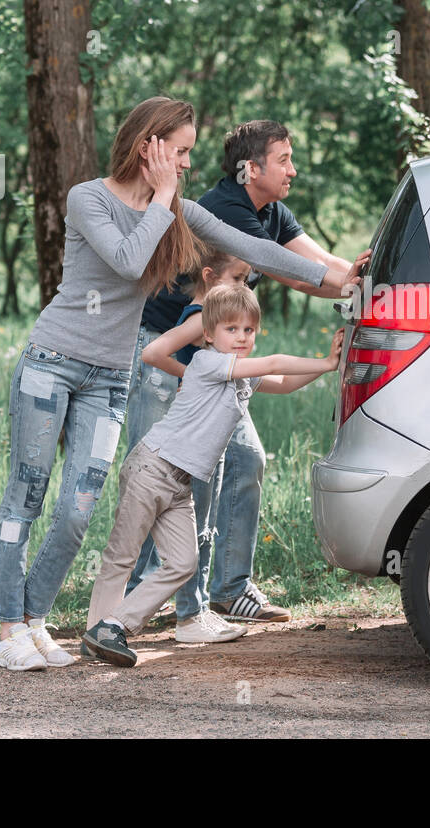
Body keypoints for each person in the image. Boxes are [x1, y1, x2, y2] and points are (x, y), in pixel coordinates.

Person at [0, 97, 364, 671]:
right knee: (28, 495)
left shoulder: (179, 210)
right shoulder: (89, 198)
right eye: (180, 151)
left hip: (111, 378)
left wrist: (343, 283)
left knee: (78, 510)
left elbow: (257, 248)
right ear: (149, 147)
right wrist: (163, 199)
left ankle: (35, 621)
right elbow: (129, 262)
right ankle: (9, 624)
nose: (187, 164)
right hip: (53, 361)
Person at [129, 119, 364, 627]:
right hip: (163, 351)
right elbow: (290, 271)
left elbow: (321, 261)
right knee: (159, 478)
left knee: (244, 460)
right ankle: (136, 600)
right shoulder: (226, 210)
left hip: (212, 361)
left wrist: (368, 282)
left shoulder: (272, 210)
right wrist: (361, 289)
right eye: (284, 160)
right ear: (249, 168)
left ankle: (229, 590)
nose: (293, 171)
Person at [82, 284, 344, 666]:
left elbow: (284, 383)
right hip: (152, 468)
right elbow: (273, 364)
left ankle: (113, 626)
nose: (240, 338)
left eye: (248, 331)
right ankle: (99, 635)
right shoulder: (207, 363)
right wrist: (325, 364)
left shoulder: (241, 376)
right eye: (230, 329)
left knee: (183, 563)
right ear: (208, 334)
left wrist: (328, 363)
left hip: (181, 484)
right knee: (122, 557)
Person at [127, 249, 251, 644]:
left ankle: (174, 607)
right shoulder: (204, 319)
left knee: (188, 520)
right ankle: (188, 614)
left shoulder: (214, 320)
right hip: (191, 445)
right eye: (238, 279)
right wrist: (191, 375)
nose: (244, 288)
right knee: (197, 521)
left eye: (248, 280)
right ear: (211, 276)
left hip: (198, 438)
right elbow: (154, 353)